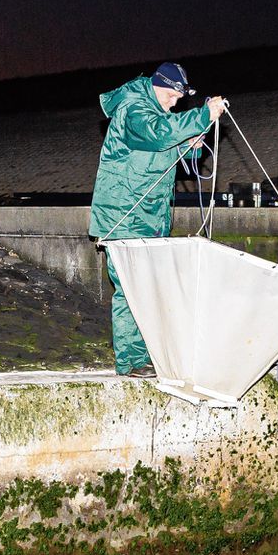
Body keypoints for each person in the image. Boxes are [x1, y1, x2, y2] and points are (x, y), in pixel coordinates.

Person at [89, 62, 227, 377]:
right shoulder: (134, 110)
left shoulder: (155, 112)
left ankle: (149, 354)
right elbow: (158, 136)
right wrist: (202, 115)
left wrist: (191, 147)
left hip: (150, 217)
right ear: (161, 87)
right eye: (173, 98)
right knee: (130, 287)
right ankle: (131, 362)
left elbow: (166, 147)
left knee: (149, 287)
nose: (176, 103)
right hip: (123, 217)